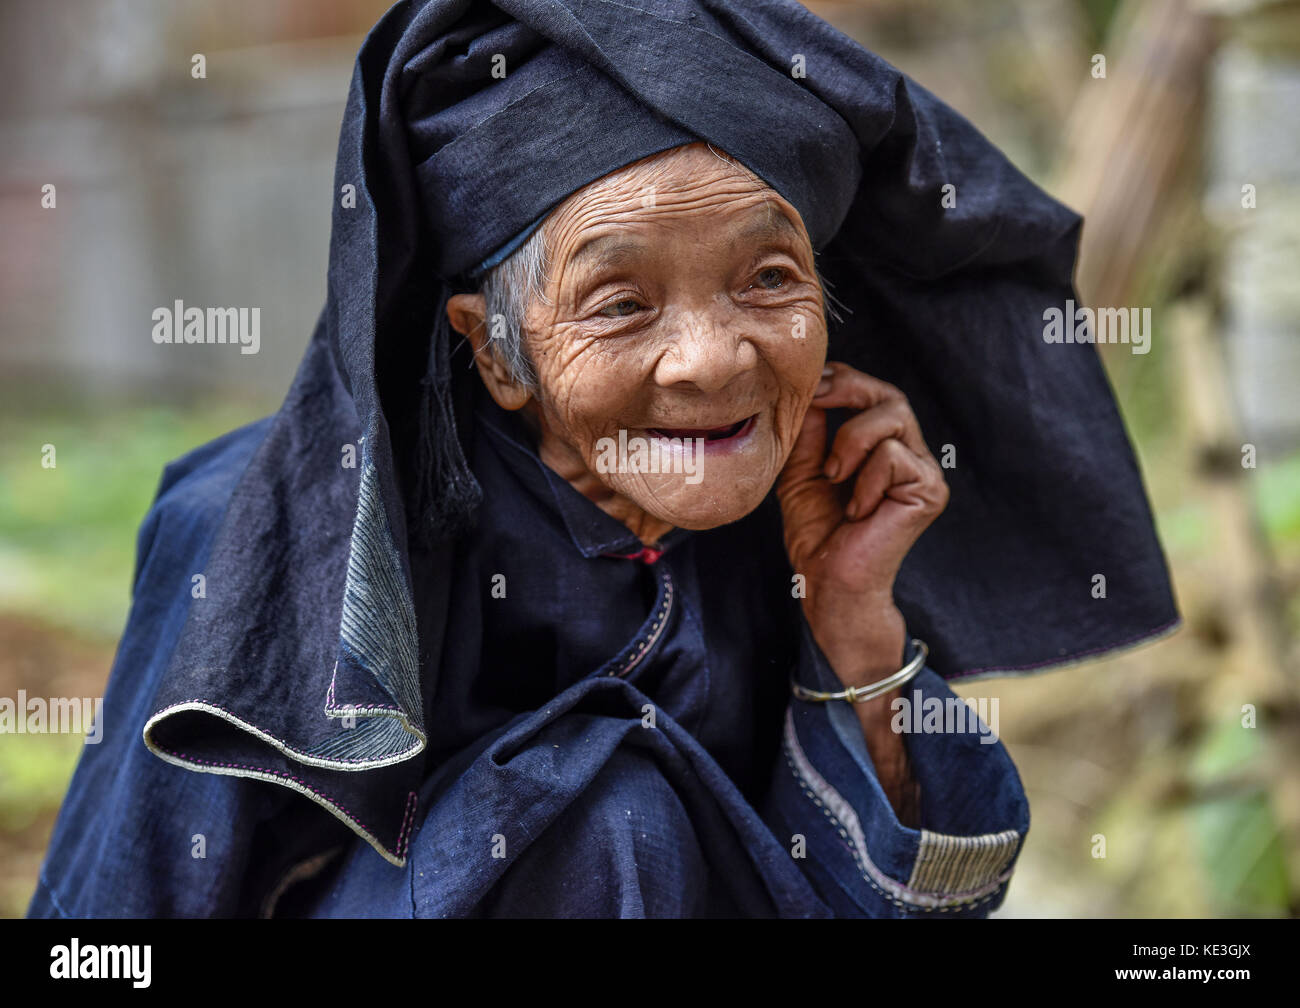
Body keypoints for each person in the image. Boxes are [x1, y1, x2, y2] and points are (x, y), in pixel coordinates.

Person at [29, 0, 1178, 918]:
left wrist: (850, 619)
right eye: (622, 303)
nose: (712, 359)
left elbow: (914, 908)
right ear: (495, 353)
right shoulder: (263, 530)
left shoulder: (792, 522)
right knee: (599, 811)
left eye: (768, 280)